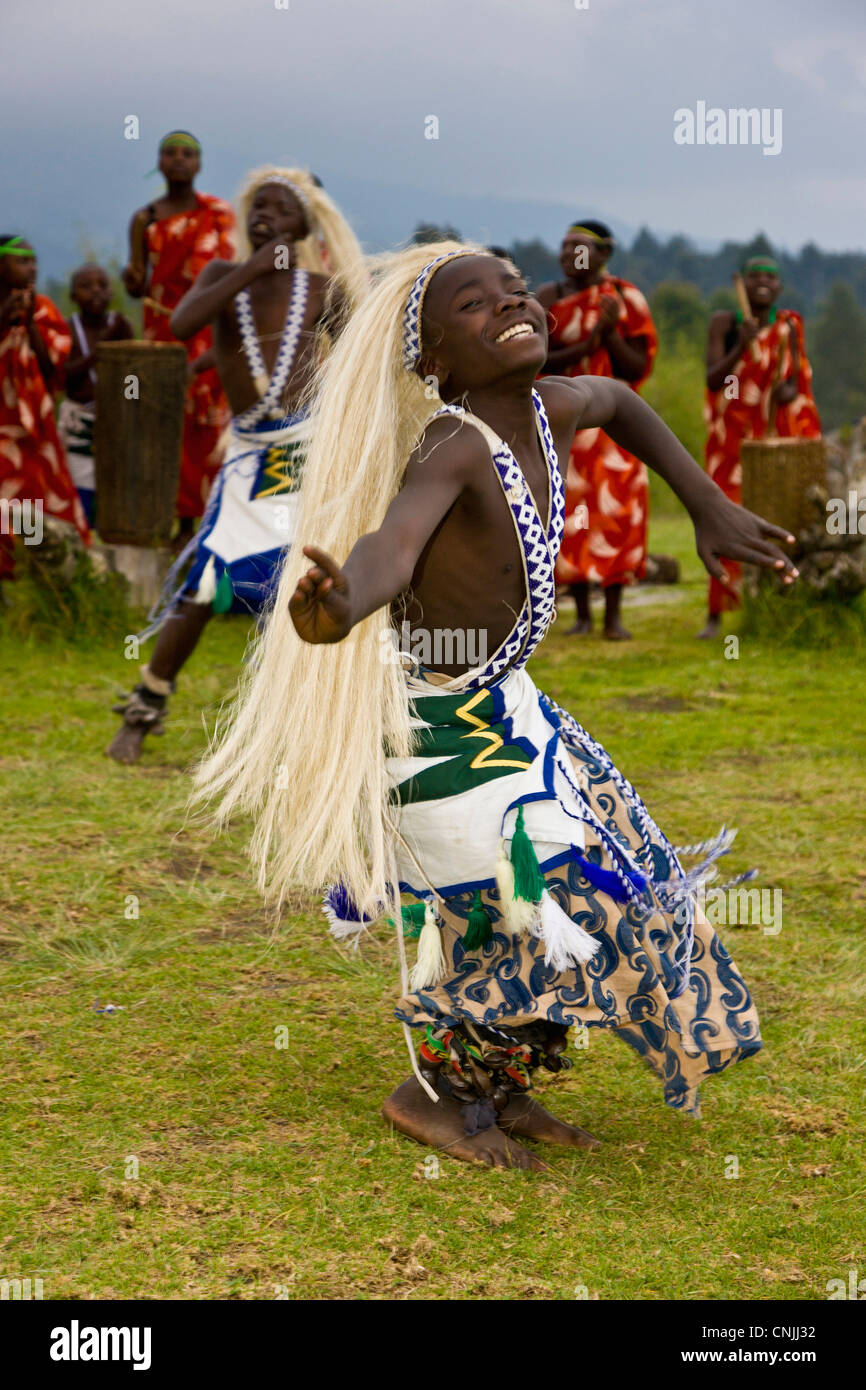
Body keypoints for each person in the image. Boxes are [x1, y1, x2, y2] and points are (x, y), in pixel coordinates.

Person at [194, 243, 798, 1170]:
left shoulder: (552, 408)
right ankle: (431, 1093)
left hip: (505, 700)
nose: (510, 305)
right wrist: (341, 604)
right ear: (434, 361)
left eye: (515, 292)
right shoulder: (454, 442)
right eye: (473, 305)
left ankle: (497, 1083)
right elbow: (392, 548)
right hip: (435, 726)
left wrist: (707, 502)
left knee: (614, 875)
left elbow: (627, 402)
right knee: (536, 892)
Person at [108, 168, 366, 764]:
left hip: (306, 448)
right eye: (258, 205)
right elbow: (181, 325)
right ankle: (146, 706)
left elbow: (356, 363)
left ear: (303, 225)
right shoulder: (226, 276)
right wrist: (253, 267)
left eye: (280, 207)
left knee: (299, 584)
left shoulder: (322, 288)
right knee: (204, 585)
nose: (265, 214)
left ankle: (297, 726)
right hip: (250, 452)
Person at [535, 221, 657, 639]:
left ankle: (614, 616)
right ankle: (582, 614)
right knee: (567, 514)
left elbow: (637, 368)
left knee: (618, 511)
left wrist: (608, 336)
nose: (568, 255)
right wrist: (584, 348)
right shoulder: (547, 300)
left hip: (615, 424)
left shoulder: (625, 299)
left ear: (603, 255)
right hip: (565, 421)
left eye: (579, 248)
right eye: (565, 247)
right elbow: (536, 359)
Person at [121, 131, 236, 539]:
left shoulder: (218, 213)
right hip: (164, 329)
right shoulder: (145, 219)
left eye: (188, 154)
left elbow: (229, 272)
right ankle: (175, 522)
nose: (179, 160)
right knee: (165, 420)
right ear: (159, 161)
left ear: (199, 164)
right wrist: (131, 278)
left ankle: (208, 522)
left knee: (206, 424)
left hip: (207, 330)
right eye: (170, 153)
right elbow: (138, 282)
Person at [700, 254, 821, 637]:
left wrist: (785, 393)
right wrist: (742, 347)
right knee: (722, 514)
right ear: (744, 284)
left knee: (777, 515)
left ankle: (773, 602)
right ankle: (717, 613)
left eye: (770, 277)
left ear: (780, 287)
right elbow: (714, 379)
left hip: (773, 439)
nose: (762, 283)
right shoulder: (727, 322)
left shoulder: (788, 326)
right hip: (731, 440)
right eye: (754, 277)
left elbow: (796, 380)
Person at [0, 235, 89, 581]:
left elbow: (53, 368)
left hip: (34, 427)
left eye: (34, 260)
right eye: (22, 260)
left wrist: (31, 322)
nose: (32, 267)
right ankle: (5, 570)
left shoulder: (42, 309)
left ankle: (38, 569)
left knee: (33, 495)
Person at [59, 264, 134, 526]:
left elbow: (133, 372)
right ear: (72, 297)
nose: (96, 292)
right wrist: (100, 348)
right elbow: (65, 376)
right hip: (79, 419)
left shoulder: (120, 325)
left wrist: (129, 402)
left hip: (114, 418)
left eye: (103, 285)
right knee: (82, 485)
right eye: (86, 286)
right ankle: (84, 541)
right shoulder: (66, 329)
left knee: (118, 485)